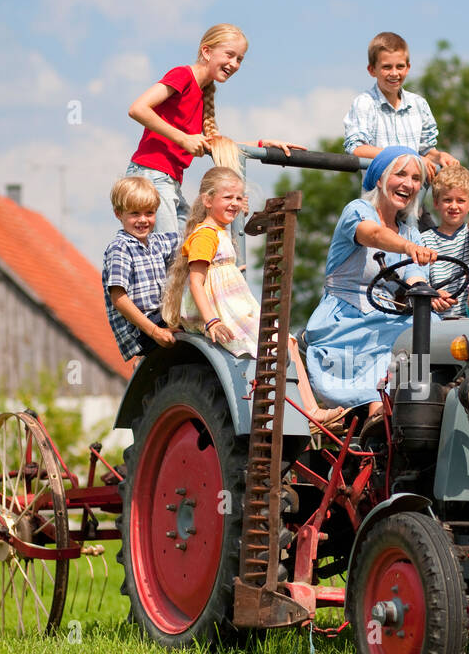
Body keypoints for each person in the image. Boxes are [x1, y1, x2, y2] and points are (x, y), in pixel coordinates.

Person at [162, 167, 345, 428]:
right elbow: (196, 281)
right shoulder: (205, 234)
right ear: (207, 200)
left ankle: (308, 409)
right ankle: (311, 412)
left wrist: (232, 272)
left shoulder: (219, 232)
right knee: (283, 341)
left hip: (232, 304)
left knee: (288, 342)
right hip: (218, 311)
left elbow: (217, 268)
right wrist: (212, 321)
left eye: (239, 198)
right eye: (228, 198)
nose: (234, 203)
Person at [303, 146, 451, 417]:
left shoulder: (410, 232)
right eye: (400, 174)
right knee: (397, 347)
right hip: (346, 322)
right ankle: (378, 411)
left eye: (416, 179)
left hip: (386, 319)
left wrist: (426, 292)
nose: (408, 184)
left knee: (433, 328)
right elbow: (372, 234)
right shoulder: (357, 211)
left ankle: (424, 402)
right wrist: (407, 248)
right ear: (380, 179)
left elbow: (414, 276)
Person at [125, 23, 300, 235]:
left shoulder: (203, 94)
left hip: (171, 181)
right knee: (170, 251)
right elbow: (138, 109)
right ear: (207, 51)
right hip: (150, 174)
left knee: (188, 248)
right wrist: (183, 139)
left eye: (240, 59)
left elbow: (216, 145)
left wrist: (263, 145)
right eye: (229, 55)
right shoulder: (183, 76)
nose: (234, 64)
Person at [343, 31, 458, 230]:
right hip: (379, 205)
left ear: (408, 68)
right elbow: (356, 148)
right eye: (386, 67)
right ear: (372, 70)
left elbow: (426, 150)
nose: (394, 73)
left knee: (431, 254)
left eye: (400, 66)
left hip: (414, 204)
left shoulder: (418, 104)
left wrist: (439, 157)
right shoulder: (365, 103)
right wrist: (408, 157)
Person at [102, 176, 180, 361]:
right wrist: (155, 332)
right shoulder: (120, 248)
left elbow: (191, 241)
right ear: (118, 214)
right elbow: (119, 298)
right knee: (193, 325)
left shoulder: (157, 242)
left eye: (149, 213)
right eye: (135, 213)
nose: (143, 220)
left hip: (158, 317)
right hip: (139, 329)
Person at [420, 165, 469, 317]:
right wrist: (433, 293)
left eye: (460, 200)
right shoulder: (424, 239)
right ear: (436, 203)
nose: (454, 206)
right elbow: (420, 278)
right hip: (438, 319)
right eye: (447, 200)